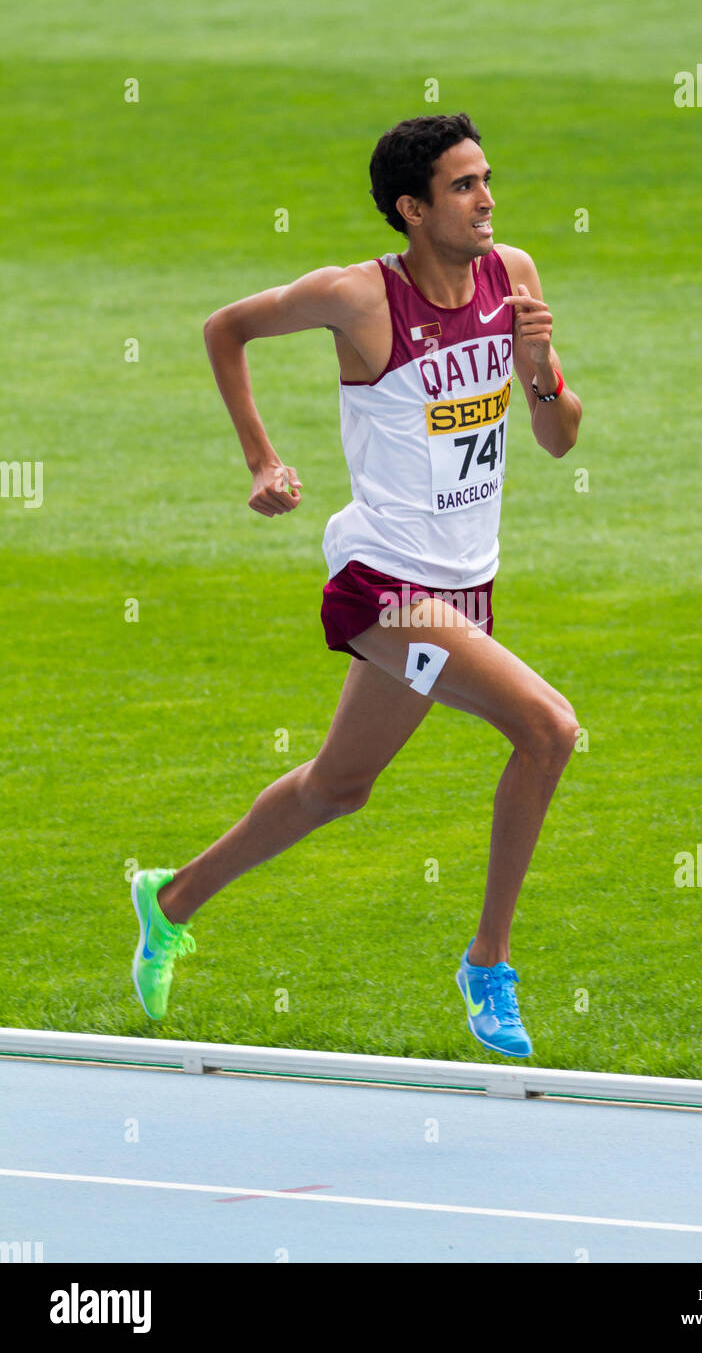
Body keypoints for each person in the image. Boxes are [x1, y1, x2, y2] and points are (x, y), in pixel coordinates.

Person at [131, 113, 582, 1058]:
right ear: (412, 210)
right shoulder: (357, 299)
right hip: (384, 580)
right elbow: (228, 328)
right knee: (548, 729)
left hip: (465, 583)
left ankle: (167, 901)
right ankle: (487, 964)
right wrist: (262, 460)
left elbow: (557, 436)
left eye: (487, 179)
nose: (487, 199)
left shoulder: (517, 279)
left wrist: (538, 372)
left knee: (339, 787)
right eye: (463, 187)